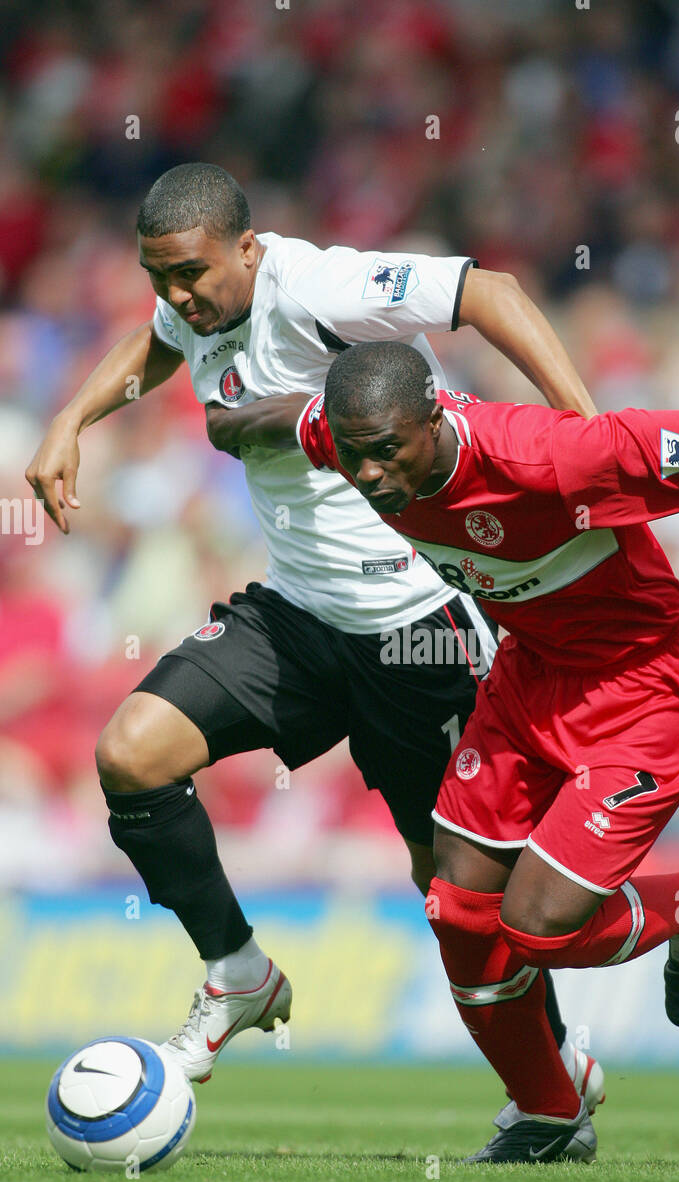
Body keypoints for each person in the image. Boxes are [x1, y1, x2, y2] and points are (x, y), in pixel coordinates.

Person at [25, 163, 602, 1112]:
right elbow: (158, 342)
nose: (175, 297)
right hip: (297, 618)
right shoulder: (196, 307)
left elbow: (487, 291)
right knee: (131, 754)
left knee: (454, 888)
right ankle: (238, 972)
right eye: (156, 276)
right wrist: (72, 416)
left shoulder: (321, 288)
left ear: (247, 250)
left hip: (419, 632)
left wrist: (584, 429)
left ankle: (555, 1076)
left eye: (191, 275)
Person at [265, 338, 679, 1163]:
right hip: (528, 680)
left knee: (540, 928)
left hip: (644, 691)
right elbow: (281, 419)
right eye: (353, 452)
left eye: (385, 452)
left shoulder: (552, 455)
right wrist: (173, 406)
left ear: (433, 416)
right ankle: (547, 1116)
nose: (367, 474)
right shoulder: (351, 432)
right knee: (456, 909)